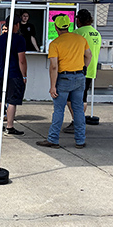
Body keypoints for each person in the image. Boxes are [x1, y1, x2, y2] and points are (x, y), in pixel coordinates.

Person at [36, 14, 92, 149]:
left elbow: (54, 66)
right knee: (78, 110)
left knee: (59, 110)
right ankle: (80, 140)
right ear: (69, 26)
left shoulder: (55, 43)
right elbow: (89, 55)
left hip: (64, 79)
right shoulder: (80, 39)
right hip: (79, 77)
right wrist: (83, 68)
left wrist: (52, 86)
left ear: (56, 27)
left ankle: (53, 139)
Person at [63, 9, 102, 133]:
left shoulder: (78, 33)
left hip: (78, 69)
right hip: (91, 70)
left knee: (70, 98)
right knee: (83, 97)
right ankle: (78, 122)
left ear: (79, 20)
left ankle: (76, 122)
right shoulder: (96, 33)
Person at [0, 15, 27, 135]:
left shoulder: (0, 39)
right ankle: (10, 127)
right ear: (17, 25)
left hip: (2, 74)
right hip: (14, 74)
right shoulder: (19, 39)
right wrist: (24, 76)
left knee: (0, 99)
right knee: (12, 101)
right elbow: (21, 60)